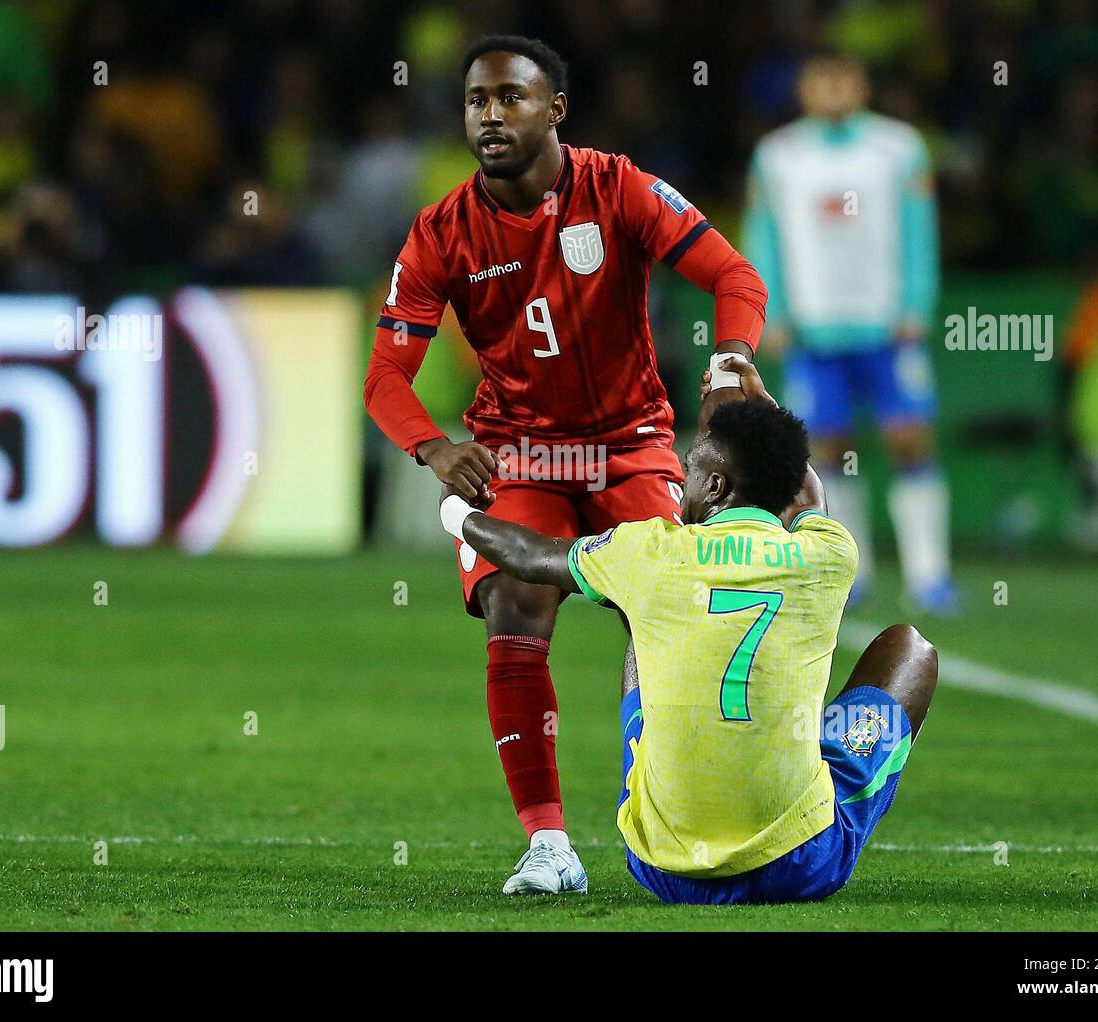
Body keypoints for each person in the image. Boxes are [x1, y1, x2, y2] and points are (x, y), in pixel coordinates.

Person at [363, 35, 767, 894]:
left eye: (511, 97)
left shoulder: (619, 188)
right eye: (477, 100)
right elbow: (385, 378)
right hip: (520, 455)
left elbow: (735, 276)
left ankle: (675, 811)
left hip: (630, 446)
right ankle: (549, 846)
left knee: (663, 611)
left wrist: (731, 361)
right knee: (517, 599)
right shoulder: (441, 233)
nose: (490, 114)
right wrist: (435, 447)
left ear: (555, 109)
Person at [438, 356, 937, 903]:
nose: (680, 479)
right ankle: (814, 789)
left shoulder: (649, 551)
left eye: (689, 469)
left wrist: (458, 513)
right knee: (908, 648)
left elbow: (531, 555)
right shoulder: (828, 552)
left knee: (642, 634)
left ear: (717, 484)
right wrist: (765, 411)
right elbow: (805, 494)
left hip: (664, 869)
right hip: (799, 866)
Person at [743, 53, 956, 613]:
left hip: (887, 323)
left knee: (910, 437)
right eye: (822, 79)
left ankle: (930, 575)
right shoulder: (778, 155)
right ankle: (852, 571)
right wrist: (772, 311)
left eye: (844, 78)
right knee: (828, 451)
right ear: (803, 88)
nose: (834, 88)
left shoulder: (899, 148)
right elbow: (763, 234)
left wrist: (917, 302)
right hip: (814, 328)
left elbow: (919, 228)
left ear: (862, 85)